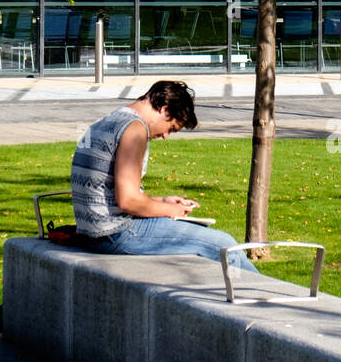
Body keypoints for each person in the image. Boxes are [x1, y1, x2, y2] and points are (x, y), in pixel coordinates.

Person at [70, 80, 258, 270]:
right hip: (114, 234)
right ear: (164, 109)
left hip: (91, 232)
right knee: (225, 245)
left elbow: (112, 192)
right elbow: (128, 201)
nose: (166, 136)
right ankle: (268, 297)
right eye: (172, 128)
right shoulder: (134, 129)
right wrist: (170, 211)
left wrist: (162, 201)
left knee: (203, 236)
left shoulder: (108, 120)